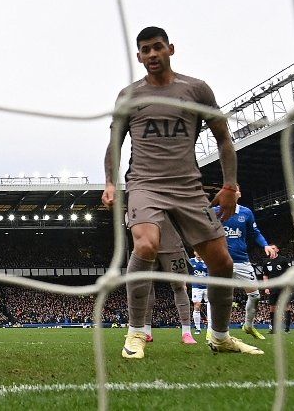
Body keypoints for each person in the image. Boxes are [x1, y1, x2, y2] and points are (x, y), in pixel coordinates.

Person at [102, 26, 262, 359]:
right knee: (146, 244)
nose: (151, 55)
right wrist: (110, 182)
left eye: (157, 47)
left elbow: (224, 138)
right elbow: (114, 144)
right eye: (145, 50)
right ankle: (134, 334)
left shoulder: (196, 90)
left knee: (222, 262)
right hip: (145, 184)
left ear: (170, 49)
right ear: (138, 56)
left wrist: (230, 184)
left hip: (188, 187)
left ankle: (219, 337)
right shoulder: (129, 96)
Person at [210, 201, 279, 339]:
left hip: (242, 261)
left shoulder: (246, 212)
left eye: (234, 190)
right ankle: (213, 331)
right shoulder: (214, 211)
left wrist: (265, 245)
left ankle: (248, 325)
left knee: (255, 295)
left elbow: (255, 232)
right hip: (221, 261)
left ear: (238, 194)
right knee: (218, 297)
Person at [140, 218, 197, 344]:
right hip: (147, 244)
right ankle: (146, 332)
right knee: (147, 287)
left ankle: (186, 332)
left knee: (180, 286)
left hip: (172, 246)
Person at [189, 252, 209, 334]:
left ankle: (210, 327)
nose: (199, 253)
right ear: (194, 252)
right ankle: (198, 328)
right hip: (196, 287)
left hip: (207, 287)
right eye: (197, 251)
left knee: (210, 305)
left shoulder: (207, 261)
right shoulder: (191, 261)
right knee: (197, 305)